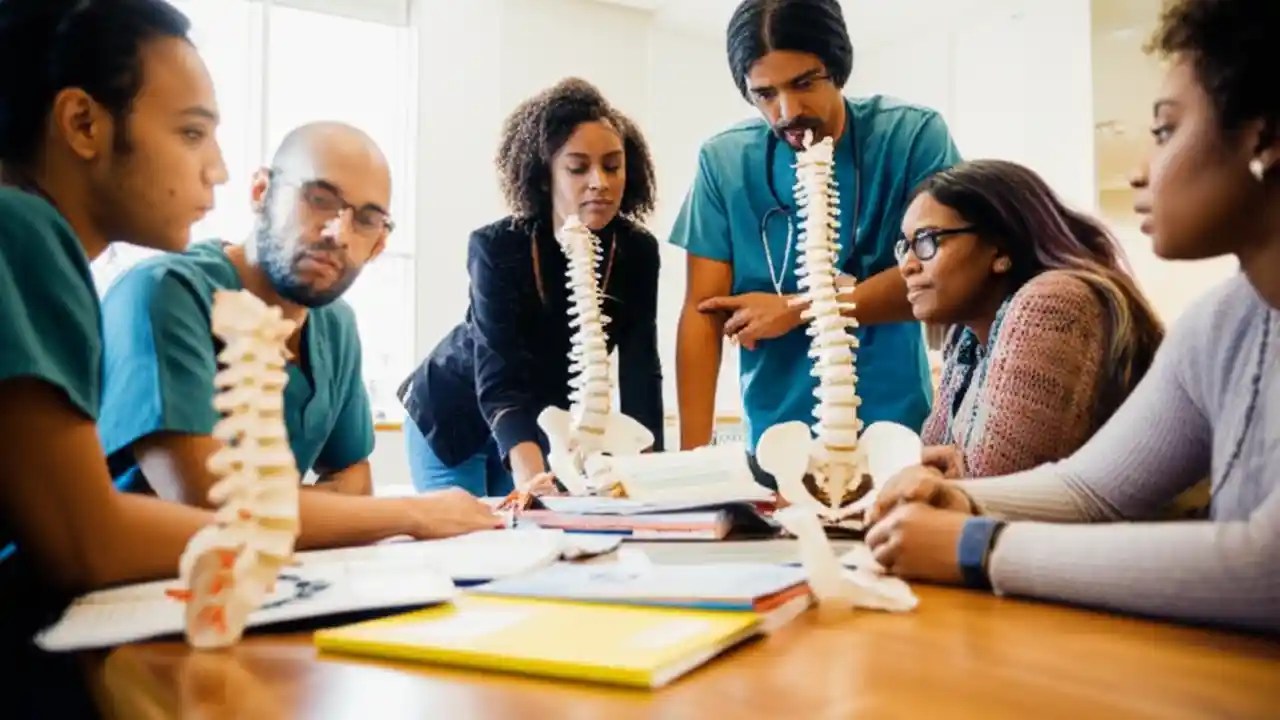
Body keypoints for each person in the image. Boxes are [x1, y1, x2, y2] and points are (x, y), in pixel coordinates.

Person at [866, 0, 1279, 634]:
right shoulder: (1223, 321)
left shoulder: (1054, 300)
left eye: (1165, 131)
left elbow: (1266, 569)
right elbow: (1093, 488)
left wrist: (979, 544)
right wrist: (963, 499)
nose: (1140, 170)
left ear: (1265, 138)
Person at [98, 122, 503, 548]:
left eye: (365, 220)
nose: (338, 235)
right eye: (319, 200)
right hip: (133, 589)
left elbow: (353, 480)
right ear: (261, 193)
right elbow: (211, 506)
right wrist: (415, 512)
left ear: (378, 245)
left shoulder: (335, 324)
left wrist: (272, 507)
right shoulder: (164, 293)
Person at [0, 0, 225, 713]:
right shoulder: (22, 226)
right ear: (82, 124)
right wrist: (277, 537)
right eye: (192, 133)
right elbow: (84, 540)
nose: (215, 170)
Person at [670, 0, 962, 474]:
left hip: (896, 440)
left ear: (839, 67)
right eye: (765, 94)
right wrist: (692, 467)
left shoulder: (911, 137)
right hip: (776, 445)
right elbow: (702, 315)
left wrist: (798, 308)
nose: (787, 111)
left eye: (804, 83)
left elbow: (943, 276)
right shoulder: (724, 163)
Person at [398, 78, 663, 496]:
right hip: (455, 414)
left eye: (613, 166)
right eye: (578, 168)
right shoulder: (496, 246)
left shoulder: (638, 251)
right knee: (472, 541)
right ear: (544, 177)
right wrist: (529, 478)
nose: (600, 182)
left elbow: (641, 370)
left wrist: (651, 478)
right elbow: (499, 375)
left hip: (538, 421)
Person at [899, 160, 1164, 478]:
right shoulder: (966, 336)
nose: (907, 265)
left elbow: (995, 487)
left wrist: (955, 470)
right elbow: (929, 463)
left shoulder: (1053, 301)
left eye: (927, 241)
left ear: (1000, 248)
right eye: (904, 247)